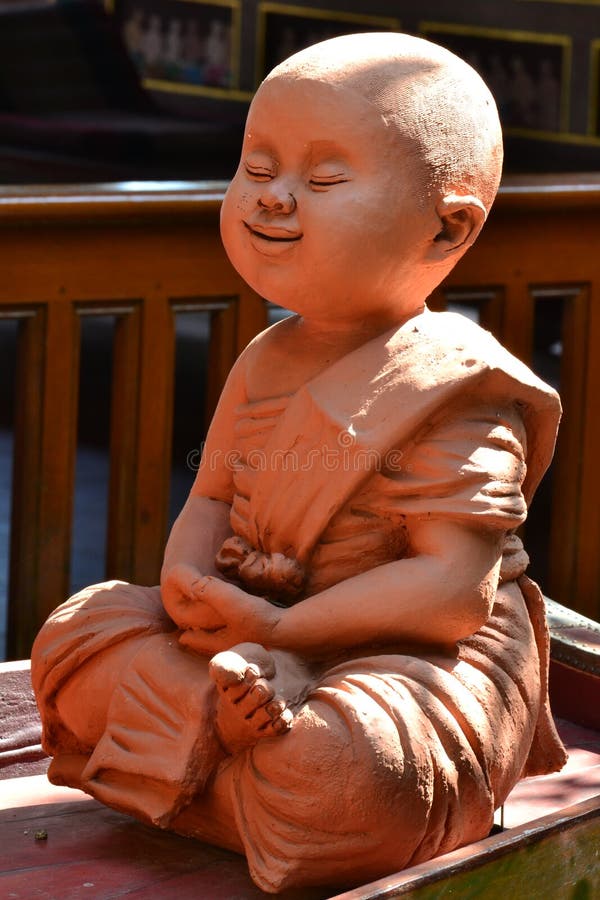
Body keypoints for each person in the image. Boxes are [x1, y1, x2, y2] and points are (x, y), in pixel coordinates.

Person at [31, 32, 566, 894]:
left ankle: (238, 758)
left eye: (320, 180)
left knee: (354, 773)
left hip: (404, 661)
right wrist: (187, 585)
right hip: (247, 635)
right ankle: (236, 747)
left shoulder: (458, 388)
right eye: (256, 166)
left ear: (449, 223)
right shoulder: (266, 357)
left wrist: (282, 635)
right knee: (76, 637)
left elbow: (448, 592)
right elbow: (209, 500)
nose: (271, 199)